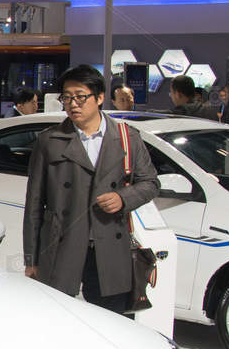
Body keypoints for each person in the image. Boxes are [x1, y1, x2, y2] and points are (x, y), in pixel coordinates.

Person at [22, 65, 159, 316]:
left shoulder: (128, 137)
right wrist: (31, 260)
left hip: (109, 247)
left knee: (111, 323)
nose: (73, 104)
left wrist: (122, 198)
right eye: (66, 97)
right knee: (58, 319)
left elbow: (150, 182)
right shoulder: (49, 140)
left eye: (80, 96)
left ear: (99, 98)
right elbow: (34, 205)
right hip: (60, 246)